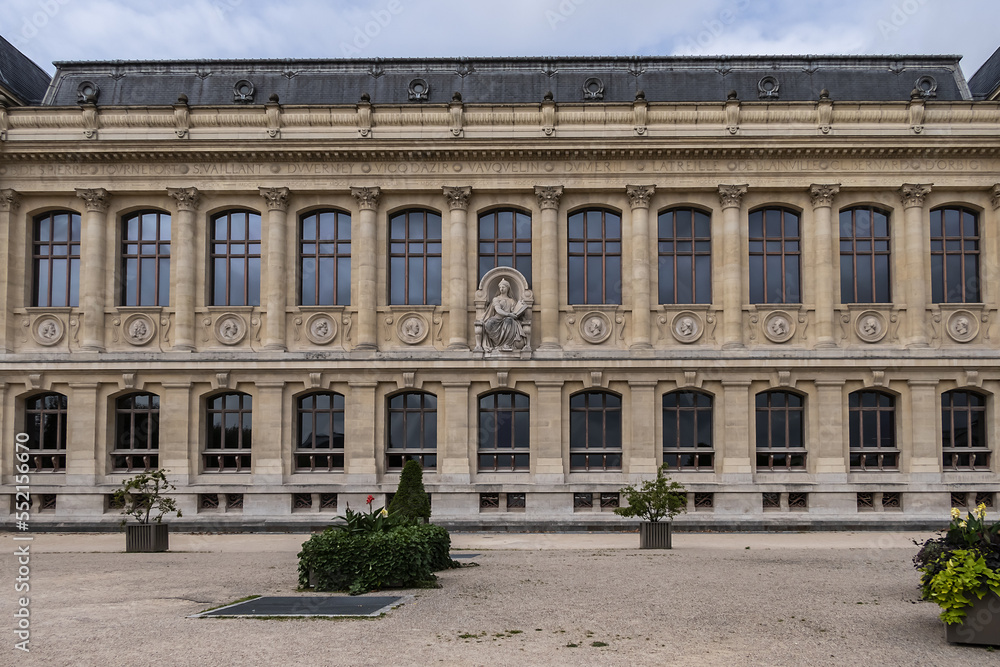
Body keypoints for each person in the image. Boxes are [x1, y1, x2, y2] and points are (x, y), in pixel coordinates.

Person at [483, 279, 525, 351]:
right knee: (489, 323)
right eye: (500, 287)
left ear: (507, 288)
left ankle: (507, 344)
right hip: (497, 319)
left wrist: (520, 307)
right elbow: (498, 310)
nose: (501, 289)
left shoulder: (512, 300)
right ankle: (497, 344)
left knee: (508, 320)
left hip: (508, 320)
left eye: (503, 287)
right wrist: (509, 314)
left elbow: (515, 311)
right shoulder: (496, 299)